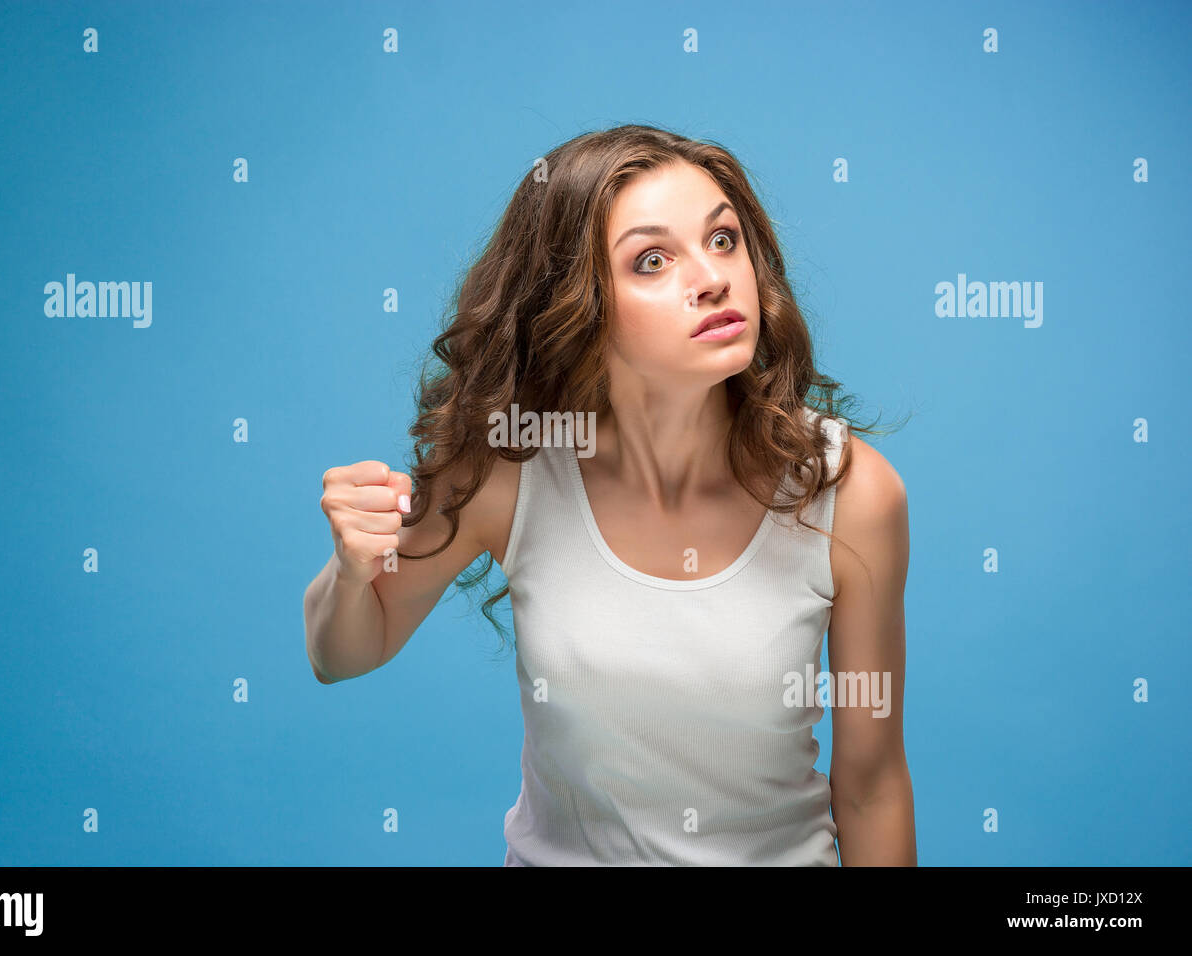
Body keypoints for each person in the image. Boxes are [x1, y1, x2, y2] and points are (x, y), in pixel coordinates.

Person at [304, 123, 916, 866]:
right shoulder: (515, 468)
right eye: (652, 261)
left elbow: (872, 785)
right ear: (579, 304)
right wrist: (351, 569)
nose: (713, 277)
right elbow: (341, 653)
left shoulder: (849, 493)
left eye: (723, 240)